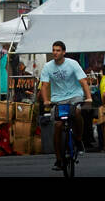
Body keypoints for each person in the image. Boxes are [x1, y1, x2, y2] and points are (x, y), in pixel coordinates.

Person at [39, 41, 92, 173]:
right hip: (58, 100)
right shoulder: (47, 67)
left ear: (63, 52)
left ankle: (79, 140)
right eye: (53, 50)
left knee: (78, 113)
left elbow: (83, 82)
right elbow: (44, 85)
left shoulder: (72, 64)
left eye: (58, 50)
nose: (55, 52)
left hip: (75, 96)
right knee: (57, 126)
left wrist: (89, 97)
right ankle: (58, 159)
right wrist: (46, 100)